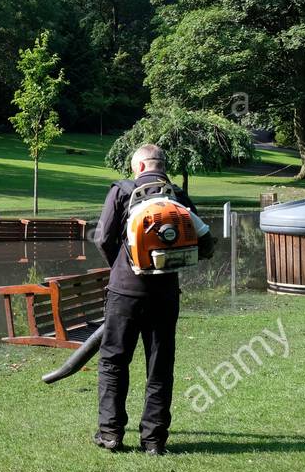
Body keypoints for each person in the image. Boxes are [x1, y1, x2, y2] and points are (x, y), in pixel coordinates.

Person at [89, 144, 213, 455]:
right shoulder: (178, 197)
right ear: (161, 166)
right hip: (165, 294)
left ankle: (110, 434)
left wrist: (122, 265)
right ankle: (154, 440)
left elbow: (102, 238)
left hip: (125, 292)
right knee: (159, 365)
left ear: (140, 167)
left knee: (114, 361)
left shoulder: (121, 191)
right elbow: (205, 244)